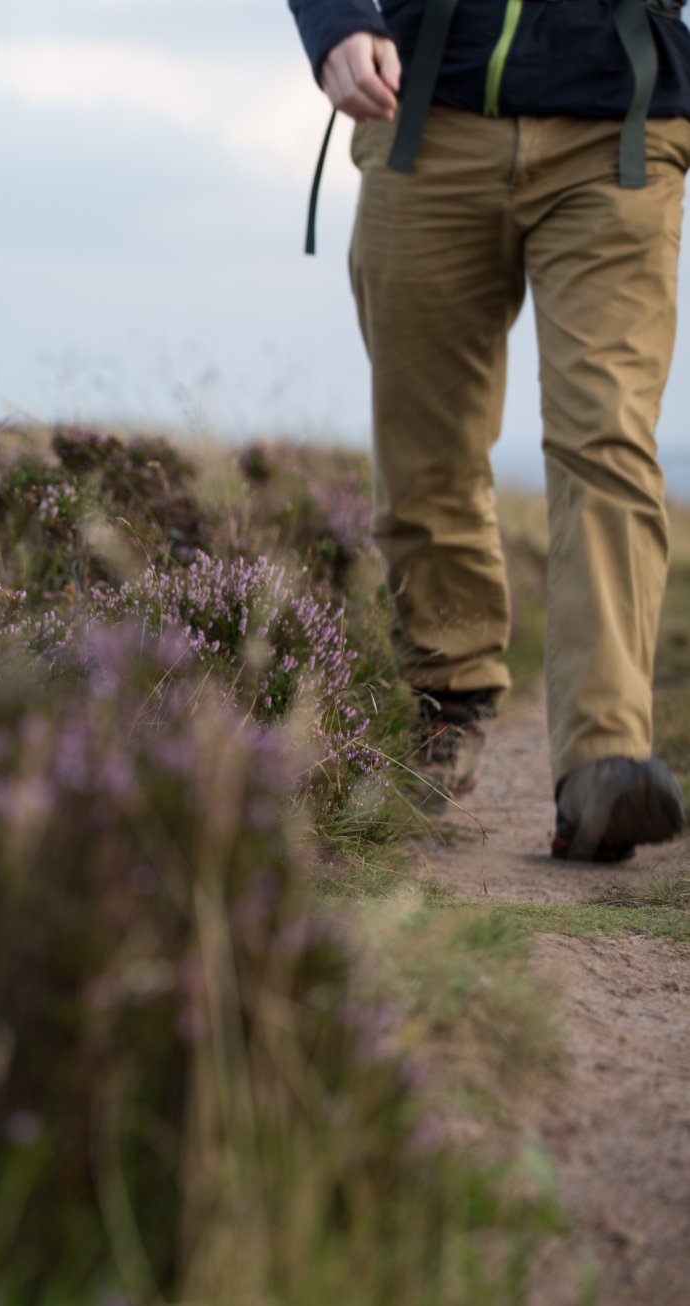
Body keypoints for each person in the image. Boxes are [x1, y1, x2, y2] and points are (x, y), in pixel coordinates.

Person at [289, 0, 690, 860]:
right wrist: (333, 24)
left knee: (607, 441)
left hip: (620, 121)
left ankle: (602, 764)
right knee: (426, 444)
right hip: (423, 114)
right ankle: (450, 693)